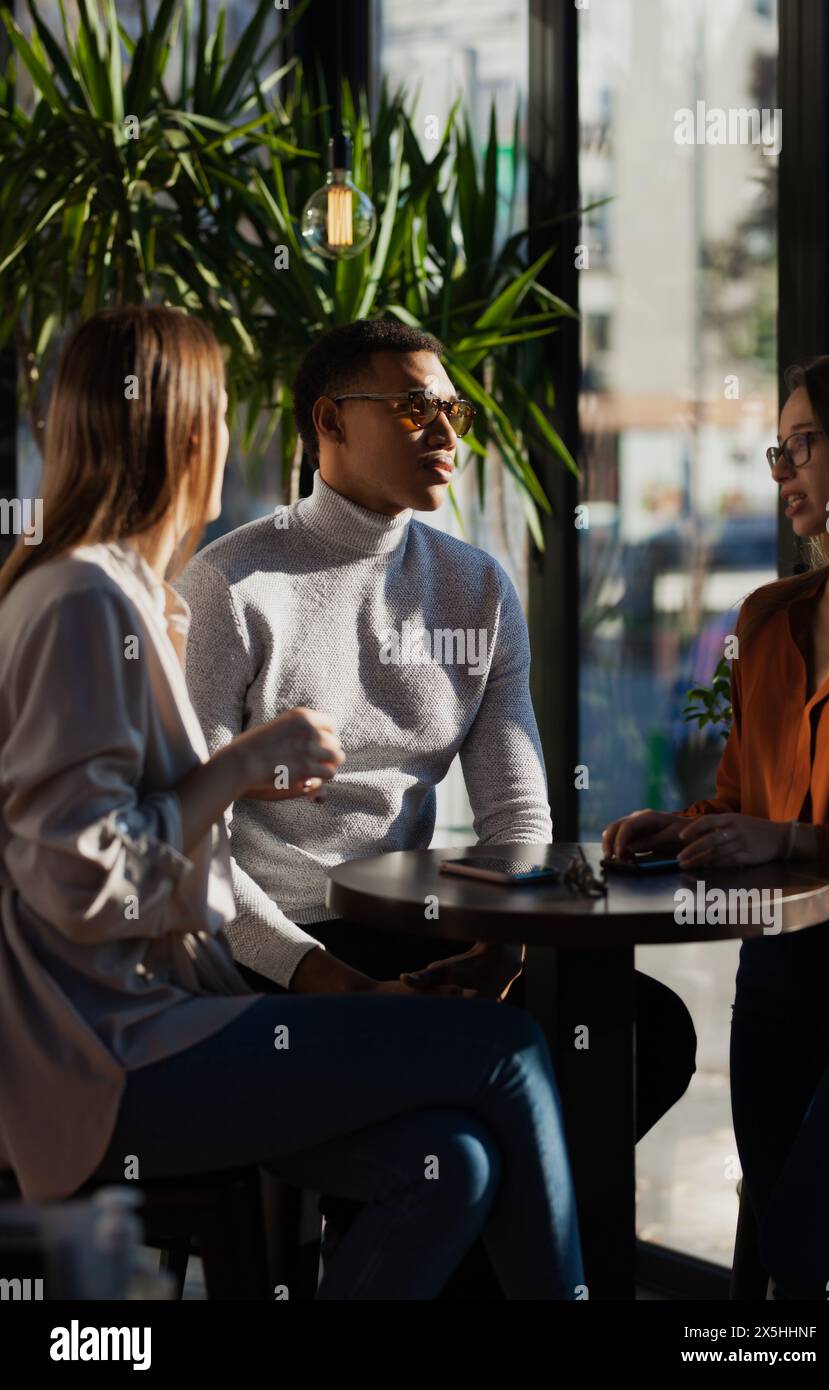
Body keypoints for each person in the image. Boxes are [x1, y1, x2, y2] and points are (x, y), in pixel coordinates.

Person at [0, 304, 584, 1300]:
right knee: (509, 1049)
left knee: (451, 1164)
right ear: (188, 429)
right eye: (219, 410)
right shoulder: (93, 600)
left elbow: (513, 790)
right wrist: (236, 772)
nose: (443, 432)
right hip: (115, 1048)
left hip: (171, 1013)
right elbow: (79, 879)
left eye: (450, 411)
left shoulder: (125, 595)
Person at [177, 317, 696, 1293]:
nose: (446, 432)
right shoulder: (233, 583)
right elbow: (193, 847)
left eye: (451, 409)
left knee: (645, 1028)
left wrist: (504, 953)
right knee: (457, 1117)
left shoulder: (473, 585)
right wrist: (321, 976)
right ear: (329, 421)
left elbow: (514, 811)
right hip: (263, 955)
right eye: (413, 408)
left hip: (409, 932)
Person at [603, 349, 829, 1301]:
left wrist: (790, 843)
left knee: (818, 1232)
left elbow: (780, 832)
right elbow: (743, 803)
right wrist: (684, 829)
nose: (784, 468)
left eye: (808, 443)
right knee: (779, 1219)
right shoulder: (767, 619)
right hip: (783, 969)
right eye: (778, 447)